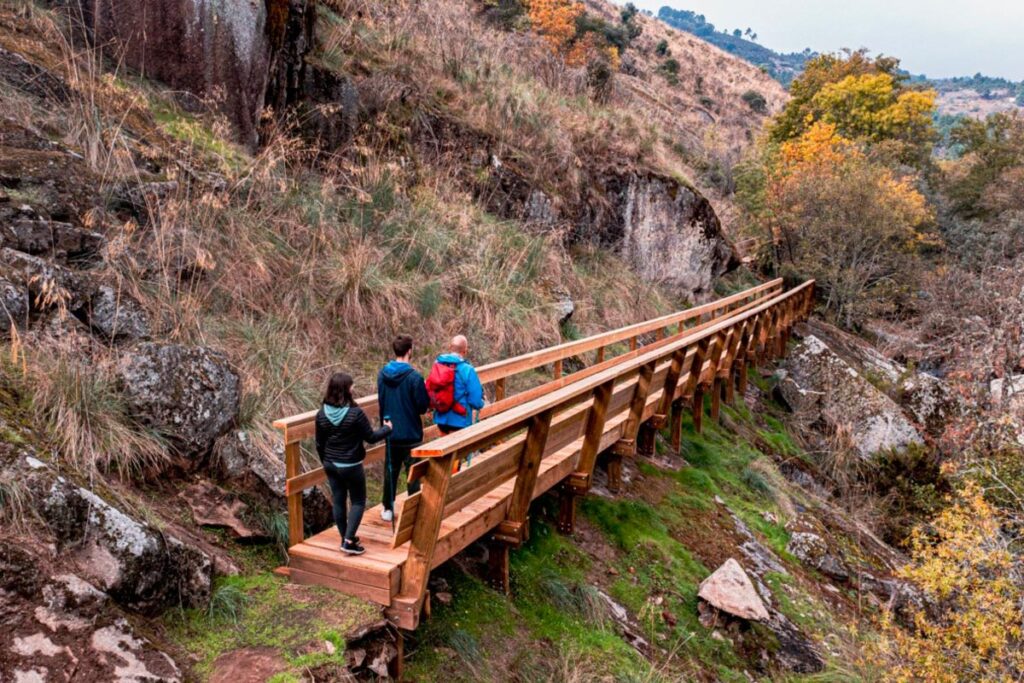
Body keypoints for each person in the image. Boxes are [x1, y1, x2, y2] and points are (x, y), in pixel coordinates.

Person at [315, 372, 391, 555]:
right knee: (358, 501)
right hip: (350, 465)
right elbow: (371, 437)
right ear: (345, 390)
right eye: (351, 386)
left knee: (339, 501)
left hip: (330, 463)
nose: (353, 388)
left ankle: (345, 537)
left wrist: (326, 461)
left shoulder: (321, 414)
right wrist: (387, 429)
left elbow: (319, 443)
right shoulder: (355, 414)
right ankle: (349, 541)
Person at [377, 334, 430, 522]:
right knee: (413, 473)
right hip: (411, 433)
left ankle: (387, 508)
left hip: (390, 431)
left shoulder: (382, 375)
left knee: (390, 471)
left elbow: (381, 401)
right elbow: (422, 406)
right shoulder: (414, 377)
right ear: (409, 351)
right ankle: (413, 510)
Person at [428, 335, 485, 439]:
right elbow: (475, 401)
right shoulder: (467, 369)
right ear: (465, 351)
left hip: (441, 419)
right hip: (460, 420)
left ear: (450, 347)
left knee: (445, 452)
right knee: (459, 453)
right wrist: (482, 403)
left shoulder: (437, 365)